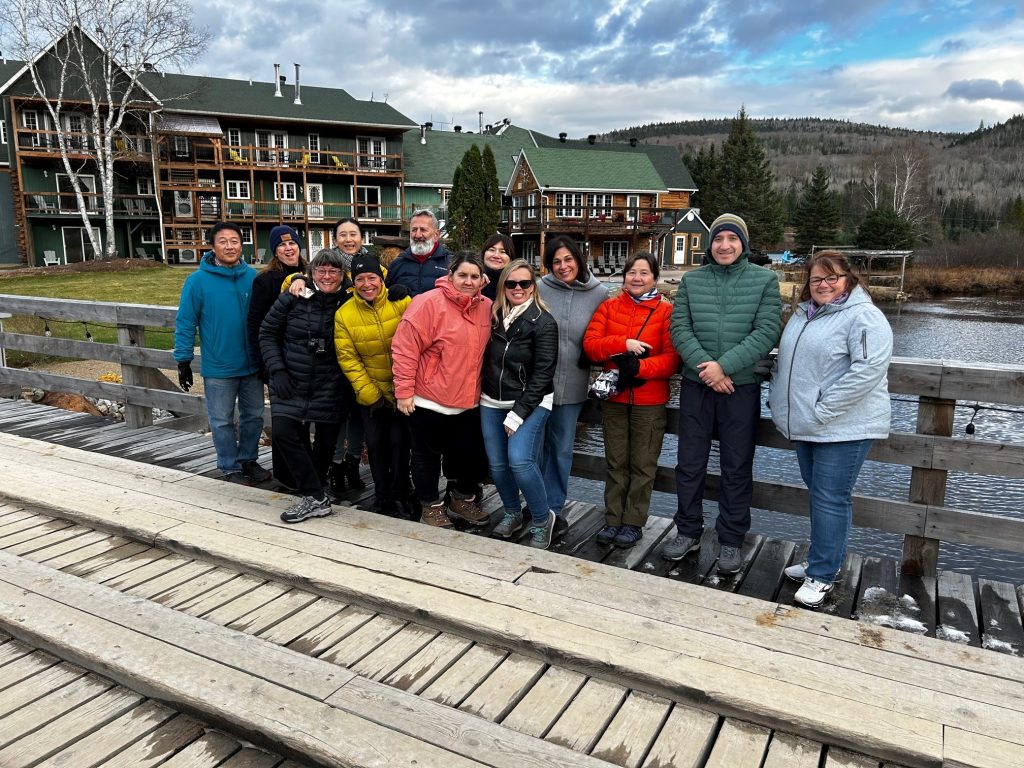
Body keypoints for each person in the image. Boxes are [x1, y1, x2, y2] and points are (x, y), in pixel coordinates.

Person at [769, 251, 893, 608]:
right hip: (810, 424)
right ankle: (821, 559)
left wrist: (823, 409)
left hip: (843, 428)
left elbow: (868, 371)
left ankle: (823, 574)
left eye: (831, 278)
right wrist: (780, 396)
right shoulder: (804, 314)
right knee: (819, 494)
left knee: (830, 497)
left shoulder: (864, 316)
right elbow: (790, 363)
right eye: (816, 279)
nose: (823, 285)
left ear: (848, 279)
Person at [667, 213, 781, 574]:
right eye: (719, 239)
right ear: (711, 244)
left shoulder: (764, 280)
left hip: (739, 388)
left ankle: (731, 539)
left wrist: (724, 367)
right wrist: (707, 368)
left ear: (743, 244)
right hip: (697, 386)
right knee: (689, 463)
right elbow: (679, 328)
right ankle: (688, 531)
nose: (725, 245)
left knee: (736, 466)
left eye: (733, 239)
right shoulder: (692, 280)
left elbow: (766, 332)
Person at [583, 252, 680, 548]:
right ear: (624, 276)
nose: (636, 278)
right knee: (615, 462)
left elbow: (673, 360)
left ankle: (633, 522)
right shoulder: (609, 307)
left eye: (644, 273)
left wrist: (640, 367)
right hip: (614, 398)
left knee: (642, 464)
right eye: (631, 272)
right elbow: (591, 346)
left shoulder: (666, 312)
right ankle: (612, 519)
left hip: (649, 401)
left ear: (655, 278)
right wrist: (622, 344)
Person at [391, 251, 491, 527]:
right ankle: (430, 505)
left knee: (469, 456)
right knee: (426, 457)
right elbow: (405, 348)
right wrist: (404, 391)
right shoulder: (427, 303)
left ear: (482, 279)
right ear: (450, 275)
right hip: (429, 399)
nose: (468, 281)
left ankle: (461, 500)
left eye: (474, 276)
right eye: (462, 275)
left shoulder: (486, 306)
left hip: (469, 399)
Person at [174, 221, 270, 485]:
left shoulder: (253, 277)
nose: (230, 246)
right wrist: (183, 358)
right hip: (219, 366)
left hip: (252, 363)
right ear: (213, 246)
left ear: (242, 244)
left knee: (254, 416)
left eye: (235, 241)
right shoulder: (197, 281)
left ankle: (248, 460)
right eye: (223, 241)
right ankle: (229, 466)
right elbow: (185, 321)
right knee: (221, 420)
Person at [259, 250, 351, 523]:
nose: (326, 276)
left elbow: (376, 283)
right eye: (320, 270)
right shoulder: (293, 297)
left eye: (333, 271)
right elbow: (267, 332)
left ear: (342, 275)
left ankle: (314, 495)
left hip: (330, 383)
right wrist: (277, 369)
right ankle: (316, 496)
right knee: (286, 433)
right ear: (311, 273)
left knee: (325, 445)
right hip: (291, 379)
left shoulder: (349, 301)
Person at [481, 260, 559, 548]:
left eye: (524, 283)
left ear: (533, 286)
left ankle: (541, 518)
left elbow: (543, 375)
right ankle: (513, 512)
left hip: (530, 401)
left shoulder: (544, 322)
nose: (517, 288)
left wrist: (517, 414)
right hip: (490, 399)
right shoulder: (493, 315)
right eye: (511, 283)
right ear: (503, 285)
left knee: (520, 461)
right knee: (498, 466)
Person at [292, 217, 369, 494]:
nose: (349, 239)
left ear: (361, 237)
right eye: (343, 235)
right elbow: (300, 280)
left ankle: (351, 463)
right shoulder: (327, 266)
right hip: (328, 361)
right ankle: (335, 466)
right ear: (335, 239)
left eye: (354, 234)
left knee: (358, 416)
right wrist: (300, 277)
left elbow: (381, 287)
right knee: (335, 419)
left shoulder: (371, 264)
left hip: (360, 356)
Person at [334, 254, 415, 519]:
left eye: (372, 278)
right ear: (353, 282)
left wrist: (406, 387)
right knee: (377, 445)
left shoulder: (401, 301)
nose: (367, 284)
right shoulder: (345, 314)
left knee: (400, 445)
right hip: (370, 394)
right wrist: (369, 392)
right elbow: (348, 357)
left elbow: (417, 339)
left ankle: (401, 495)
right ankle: (382, 497)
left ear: (381, 279)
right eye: (360, 279)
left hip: (402, 391)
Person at [537, 236, 608, 534]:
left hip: (574, 385)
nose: (563, 266)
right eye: (556, 261)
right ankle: (534, 504)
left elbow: (607, 334)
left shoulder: (600, 294)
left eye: (568, 259)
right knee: (533, 448)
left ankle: (553, 508)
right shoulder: (538, 288)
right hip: (537, 386)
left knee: (561, 449)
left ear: (578, 259)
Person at [246, 225, 308, 489]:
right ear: (275, 251)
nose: (288, 248)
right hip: (279, 361)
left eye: (292, 243)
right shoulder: (266, 281)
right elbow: (256, 324)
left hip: (306, 361)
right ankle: (287, 475)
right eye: (282, 245)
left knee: (305, 420)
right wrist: (266, 366)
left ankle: (307, 471)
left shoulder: (311, 274)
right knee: (285, 421)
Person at [384, 209, 452, 297]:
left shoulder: (451, 263)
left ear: (436, 235)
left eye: (423, 230)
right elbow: (384, 298)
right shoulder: (397, 264)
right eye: (414, 230)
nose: (418, 235)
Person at [479, 233, 514, 302]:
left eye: (503, 252)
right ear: (483, 254)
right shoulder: (470, 279)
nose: (496, 256)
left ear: (511, 259)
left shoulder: (517, 284)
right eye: (492, 250)